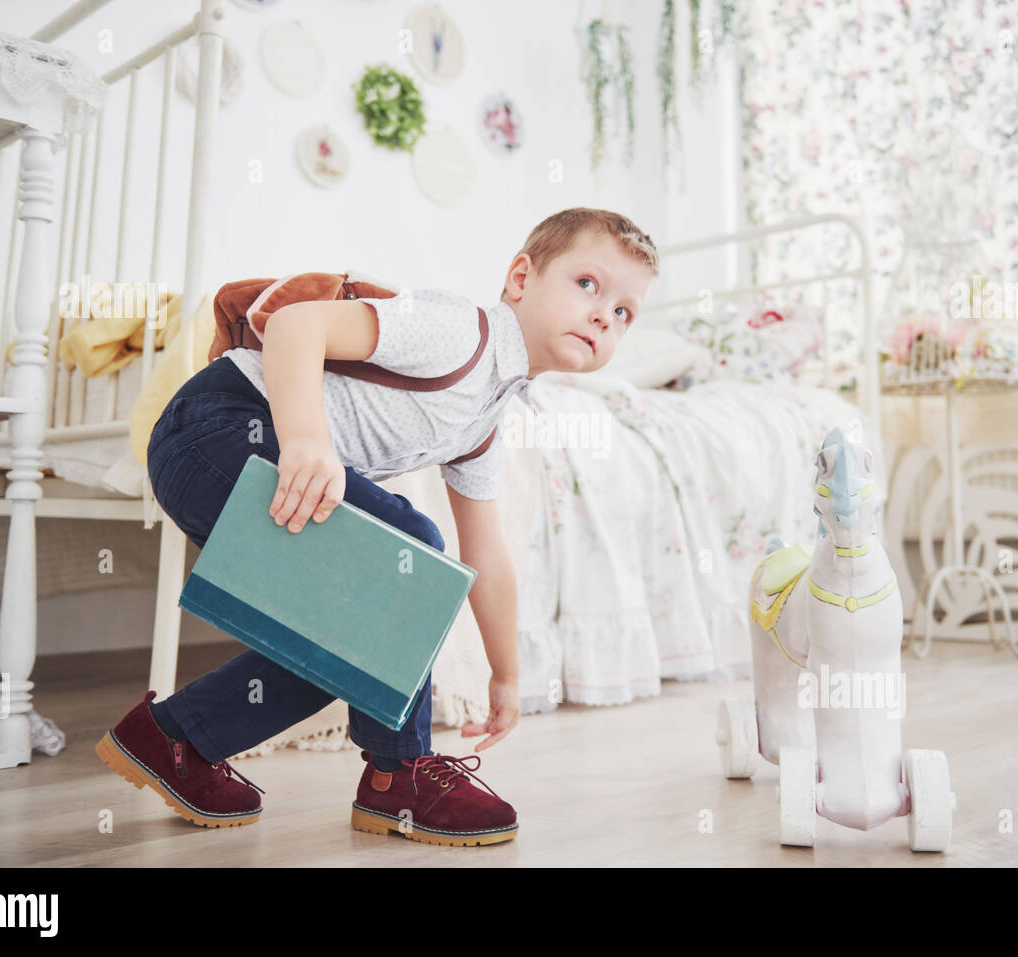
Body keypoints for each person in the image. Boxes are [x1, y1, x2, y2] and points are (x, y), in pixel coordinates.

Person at [95, 207, 659, 847]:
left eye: (623, 312)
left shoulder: (485, 422)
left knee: (359, 638)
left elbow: (487, 556)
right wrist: (307, 441)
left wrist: (506, 675)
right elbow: (295, 325)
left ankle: (175, 738)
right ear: (522, 278)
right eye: (587, 284)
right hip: (213, 429)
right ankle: (400, 773)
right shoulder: (459, 331)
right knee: (411, 552)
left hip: (235, 456)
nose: (602, 316)